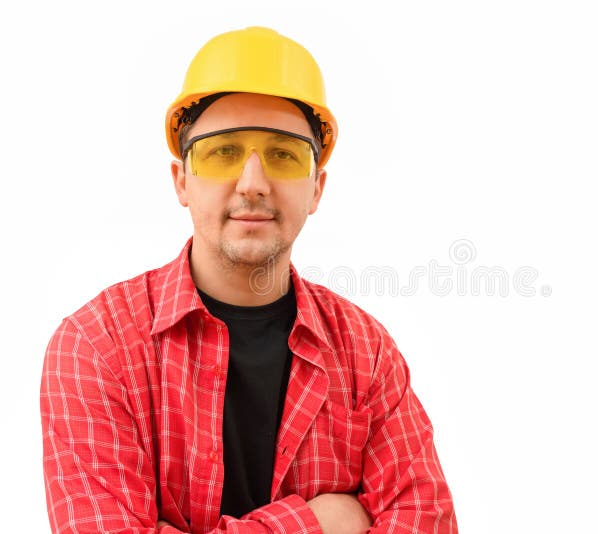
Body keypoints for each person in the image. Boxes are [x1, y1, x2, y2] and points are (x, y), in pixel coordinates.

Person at [40, 26, 457, 533]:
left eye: (284, 154)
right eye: (224, 152)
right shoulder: (97, 347)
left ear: (316, 189)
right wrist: (318, 522)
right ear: (182, 182)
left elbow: (429, 521)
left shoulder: (365, 354)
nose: (253, 183)